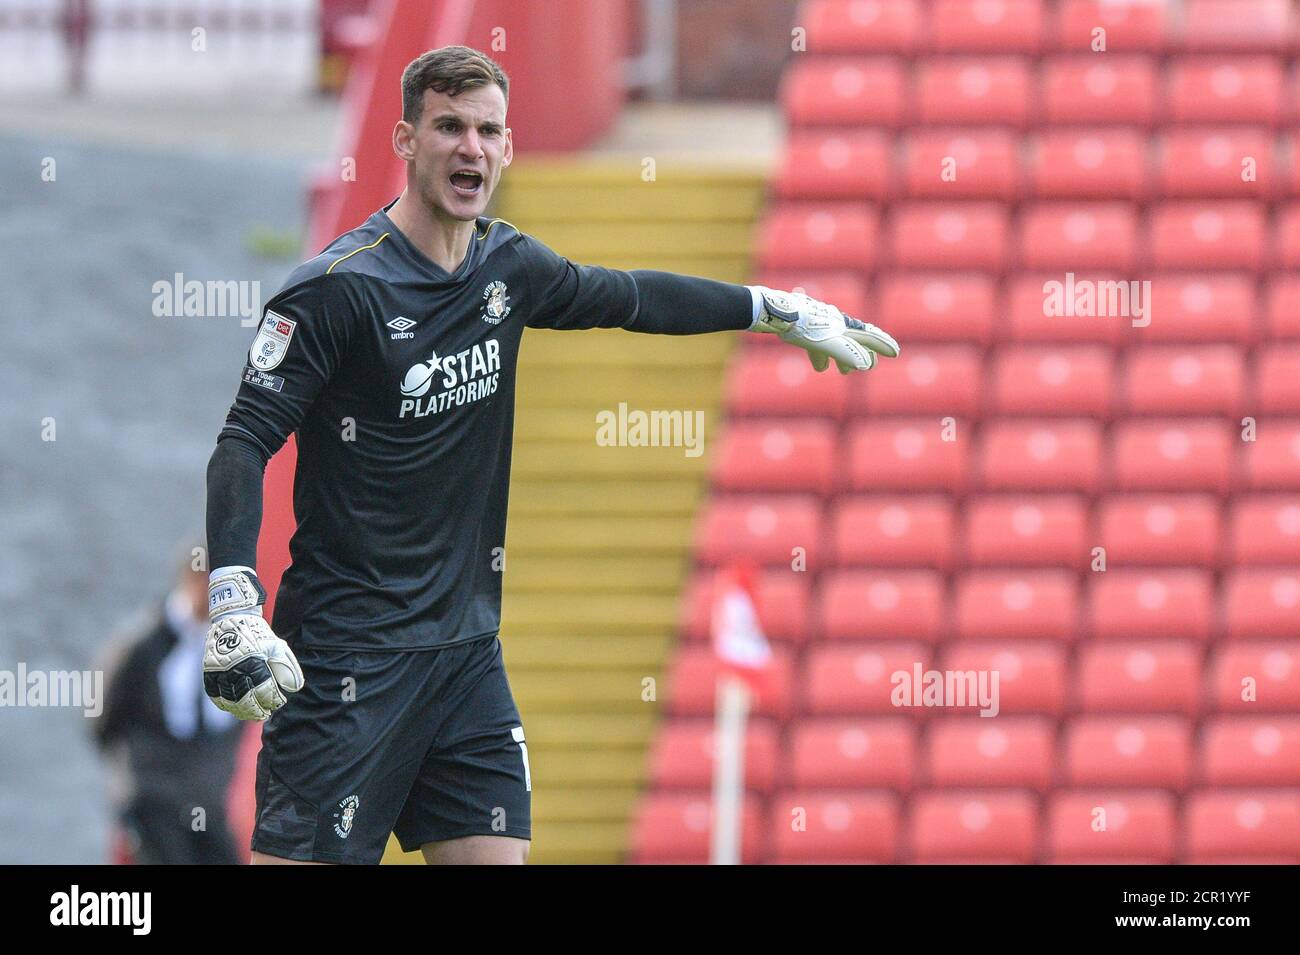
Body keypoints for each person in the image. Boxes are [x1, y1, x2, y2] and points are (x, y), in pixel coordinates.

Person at [202, 44, 899, 865]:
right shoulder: (335, 290)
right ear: (404, 140)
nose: (472, 147)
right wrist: (234, 599)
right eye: (450, 127)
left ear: (506, 147)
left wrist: (772, 308)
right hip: (347, 664)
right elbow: (243, 439)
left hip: (464, 659)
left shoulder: (509, 267)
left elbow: (630, 296)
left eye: (489, 130)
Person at [93, 543, 245, 864]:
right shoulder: (143, 644)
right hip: (154, 800)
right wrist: (133, 777)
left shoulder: (233, 647)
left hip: (207, 802)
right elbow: (103, 716)